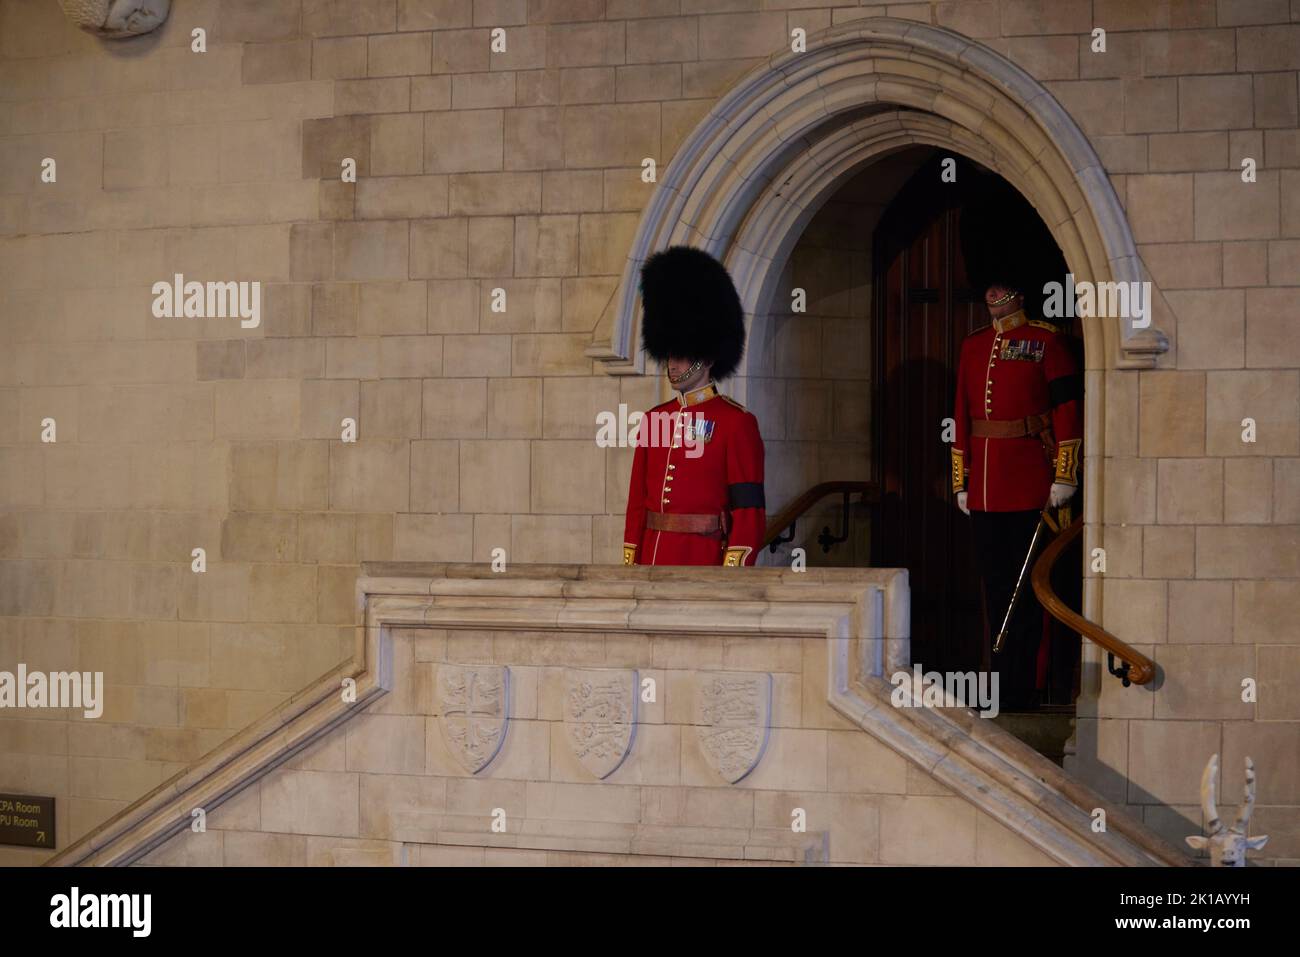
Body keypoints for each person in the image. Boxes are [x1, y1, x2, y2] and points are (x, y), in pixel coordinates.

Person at [953, 200, 1084, 708]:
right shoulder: (972, 346)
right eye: (987, 285)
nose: (991, 294)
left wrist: (1064, 474)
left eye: (998, 284)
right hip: (986, 489)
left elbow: (1067, 412)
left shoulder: (1047, 342)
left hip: (1033, 485)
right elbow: (962, 417)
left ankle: (1027, 688)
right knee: (995, 589)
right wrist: (962, 480)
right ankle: (1001, 683)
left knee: (1031, 591)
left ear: (1018, 286)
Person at [622, 246, 766, 567]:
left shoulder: (736, 422)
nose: (673, 365)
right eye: (670, 355)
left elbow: (748, 508)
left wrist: (733, 567)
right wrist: (632, 554)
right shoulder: (654, 419)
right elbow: (637, 502)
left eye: (682, 355)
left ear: (707, 357)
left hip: (704, 558)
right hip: (652, 556)